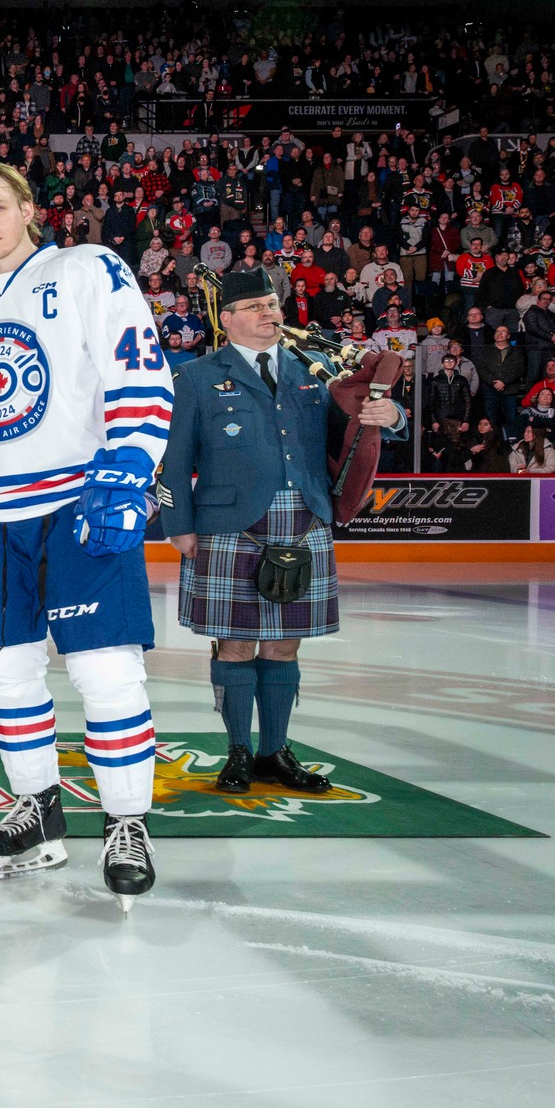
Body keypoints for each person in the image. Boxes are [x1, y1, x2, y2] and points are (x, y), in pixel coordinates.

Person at [0, 161, 167, 910]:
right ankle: (38, 808)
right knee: (6, 671)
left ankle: (128, 822)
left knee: (104, 671)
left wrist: (128, 463)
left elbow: (140, 375)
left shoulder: (88, 268)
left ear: (28, 208)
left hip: (77, 500)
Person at [160, 269, 403, 797]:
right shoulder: (197, 376)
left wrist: (393, 413)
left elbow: (360, 418)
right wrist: (177, 524)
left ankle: (275, 750)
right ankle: (239, 752)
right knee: (236, 645)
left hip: (306, 517)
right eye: (255, 307)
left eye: (272, 304)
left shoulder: (316, 371)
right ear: (226, 320)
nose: (269, 313)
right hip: (228, 524)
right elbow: (173, 458)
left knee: (286, 647)